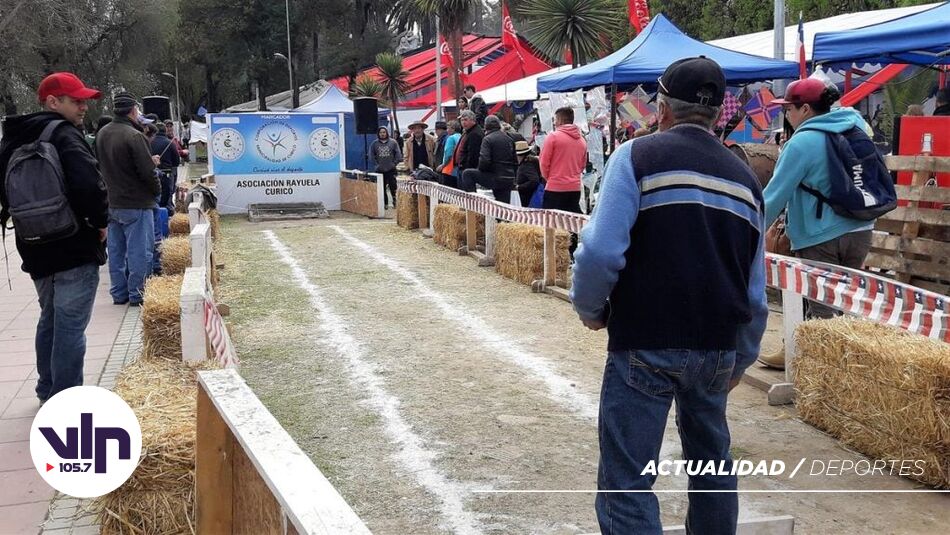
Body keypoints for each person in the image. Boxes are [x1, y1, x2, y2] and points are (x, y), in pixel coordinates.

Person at [571, 57, 767, 534]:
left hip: (646, 339)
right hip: (717, 346)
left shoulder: (636, 157)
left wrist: (591, 308)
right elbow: (755, 290)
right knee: (713, 469)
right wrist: (740, 358)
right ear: (718, 113)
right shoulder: (747, 183)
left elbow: (598, 251)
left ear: (661, 108)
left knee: (629, 481)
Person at [0, 72, 109, 403]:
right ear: (52, 102)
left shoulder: (10, 139)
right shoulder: (65, 135)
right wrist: (100, 222)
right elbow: (89, 186)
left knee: (49, 318)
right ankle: (65, 398)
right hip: (74, 244)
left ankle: (47, 387)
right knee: (70, 327)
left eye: (84, 102)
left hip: (33, 245)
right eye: (76, 101)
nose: (83, 108)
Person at [759, 78, 880, 366]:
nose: (786, 114)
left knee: (821, 310)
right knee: (848, 304)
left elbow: (774, 197)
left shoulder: (802, 141)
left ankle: (824, 375)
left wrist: (748, 232)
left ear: (805, 109)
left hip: (820, 235)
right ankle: (851, 367)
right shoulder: (857, 128)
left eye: (789, 108)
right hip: (862, 228)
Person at [96, 92, 160, 306]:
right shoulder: (134, 136)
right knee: (139, 252)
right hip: (136, 203)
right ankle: (138, 293)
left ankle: (119, 293)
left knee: (116, 252)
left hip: (112, 202)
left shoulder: (103, 133)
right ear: (134, 110)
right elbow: (147, 171)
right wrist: (156, 191)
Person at [540, 106, 587, 254]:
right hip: (574, 187)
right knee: (571, 222)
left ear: (560, 120)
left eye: (554, 120)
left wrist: (549, 178)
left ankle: (552, 255)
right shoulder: (582, 140)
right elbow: (583, 165)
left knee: (551, 223)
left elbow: (543, 162)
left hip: (555, 187)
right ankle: (570, 254)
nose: (554, 123)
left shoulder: (553, 137)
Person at [458, 115, 517, 203]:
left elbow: (484, 161)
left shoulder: (487, 139)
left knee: (467, 173)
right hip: (509, 177)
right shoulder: (509, 139)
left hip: (495, 176)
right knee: (502, 205)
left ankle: (473, 205)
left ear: (486, 126)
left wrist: (482, 171)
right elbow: (515, 161)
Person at [151, 118, 181, 216]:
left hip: (152, 172)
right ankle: (166, 216)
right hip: (167, 173)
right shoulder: (170, 143)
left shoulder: (148, 142)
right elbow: (177, 161)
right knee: (167, 196)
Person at [370, 126, 402, 208]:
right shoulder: (374, 144)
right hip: (380, 170)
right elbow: (371, 156)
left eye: (384, 132)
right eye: (381, 132)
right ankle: (385, 204)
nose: (382, 134)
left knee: (393, 187)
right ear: (378, 134)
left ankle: (396, 203)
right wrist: (376, 166)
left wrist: (394, 164)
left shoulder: (393, 142)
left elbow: (398, 155)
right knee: (382, 188)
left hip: (391, 169)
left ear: (387, 133)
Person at [453, 110, 484, 186]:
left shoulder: (475, 133)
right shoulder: (467, 132)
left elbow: (473, 155)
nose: (463, 122)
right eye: (462, 120)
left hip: (467, 170)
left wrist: (466, 168)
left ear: (473, 120)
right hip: (461, 168)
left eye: (466, 120)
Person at [514, 140, 541, 207]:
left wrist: (519, 187)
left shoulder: (526, 165)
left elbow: (534, 181)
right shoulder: (532, 161)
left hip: (527, 197)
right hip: (530, 195)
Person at [436, 120, 462, 188]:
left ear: (453, 128)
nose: (447, 130)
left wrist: (442, 165)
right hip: (458, 170)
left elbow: (448, 154)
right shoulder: (461, 136)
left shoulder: (451, 138)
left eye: (448, 128)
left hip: (449, 170)